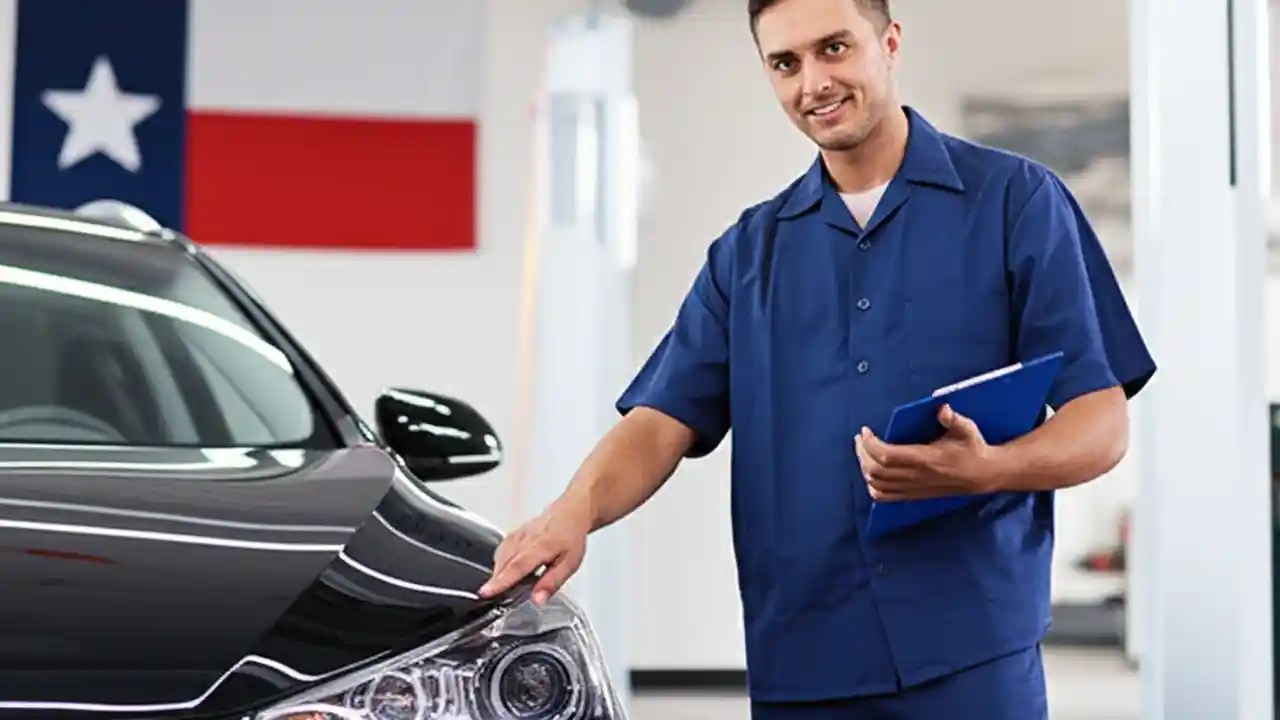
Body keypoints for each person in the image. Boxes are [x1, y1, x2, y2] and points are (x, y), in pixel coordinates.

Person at [478, 0, 1156, 716]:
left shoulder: (1016, 202)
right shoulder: (747, 254)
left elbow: (1100, 423)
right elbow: (658, 422)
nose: (813, 83)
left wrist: (989, 468)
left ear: (889, 43)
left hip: (971, 650)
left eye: (834, 48)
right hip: (806, 657)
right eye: (785, 62)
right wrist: (574, 511)